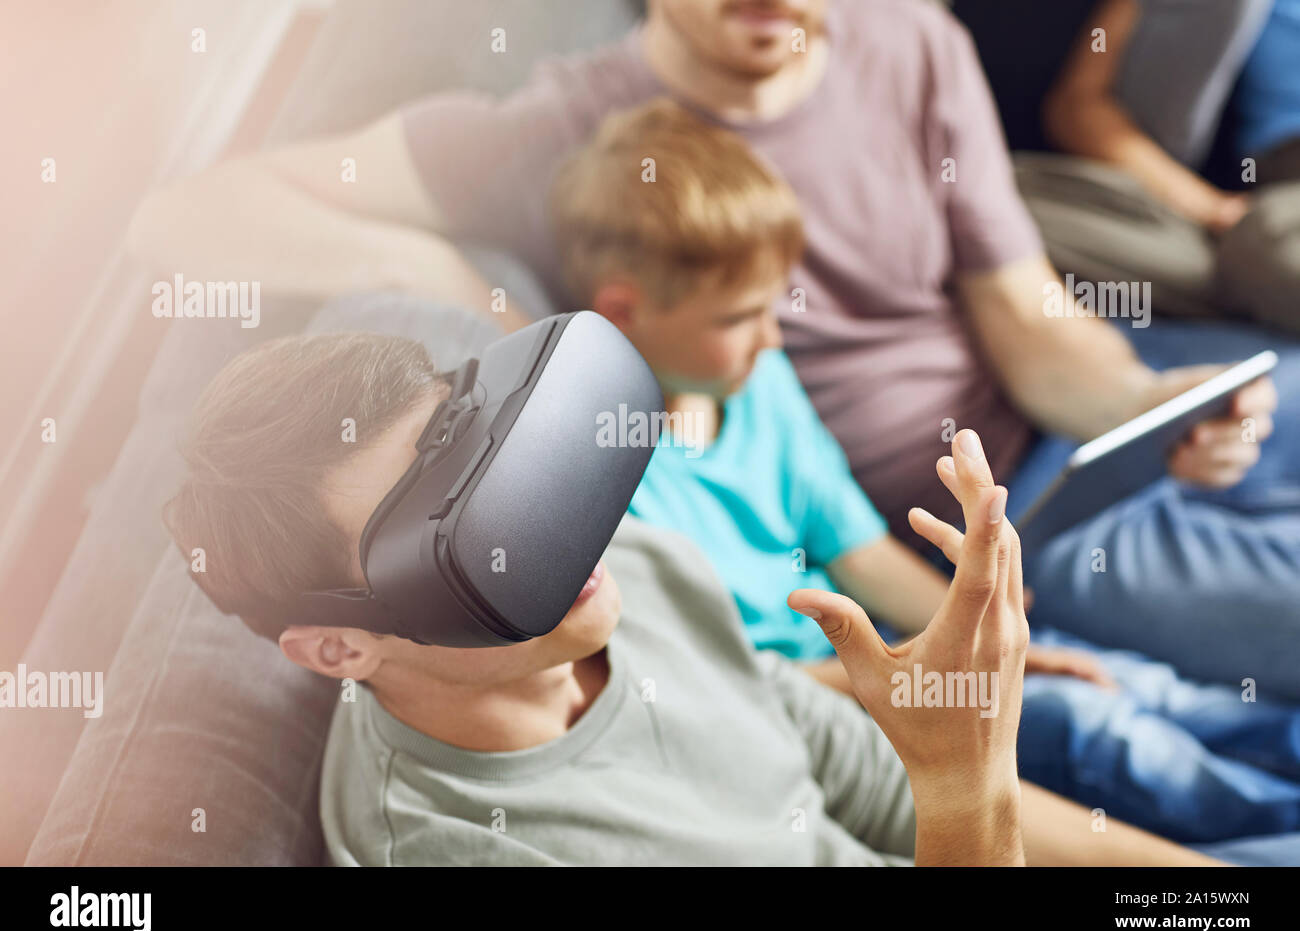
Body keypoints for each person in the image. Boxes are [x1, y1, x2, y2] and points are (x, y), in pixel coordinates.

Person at [126, 0, 1298, 693]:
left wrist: (1152, 401)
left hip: (1068, 447)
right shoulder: (571, 124)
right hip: (963, 525)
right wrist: (449, 284)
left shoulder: (909, 38)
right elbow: (180, 214)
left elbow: (1030, 326)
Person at [161, 323, 1223, 865]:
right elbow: (941, 803)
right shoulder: (465, 845)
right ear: (339, 647)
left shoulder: (635, 574)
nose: (555, 530)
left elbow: (873, 794)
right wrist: (965, 774)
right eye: (466, 536)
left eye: (491, 456)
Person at [552, 98, 1300, 846]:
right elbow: (728, 684)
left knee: (1143, 683)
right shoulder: (607, 490)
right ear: (622, 313)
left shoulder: (760, 383)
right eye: (738, 318)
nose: (773, 335)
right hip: (836, 703)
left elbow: (862, 552)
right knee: (1095, 731)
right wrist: (926, 673)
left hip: (898, 657)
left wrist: (988, 632)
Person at [1021, 0, 1300, 330]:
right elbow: (1076, 110)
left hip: (1252, 231)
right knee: (1001, 210)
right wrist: (1213, 208)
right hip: (1266, 196)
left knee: (1264, 253)